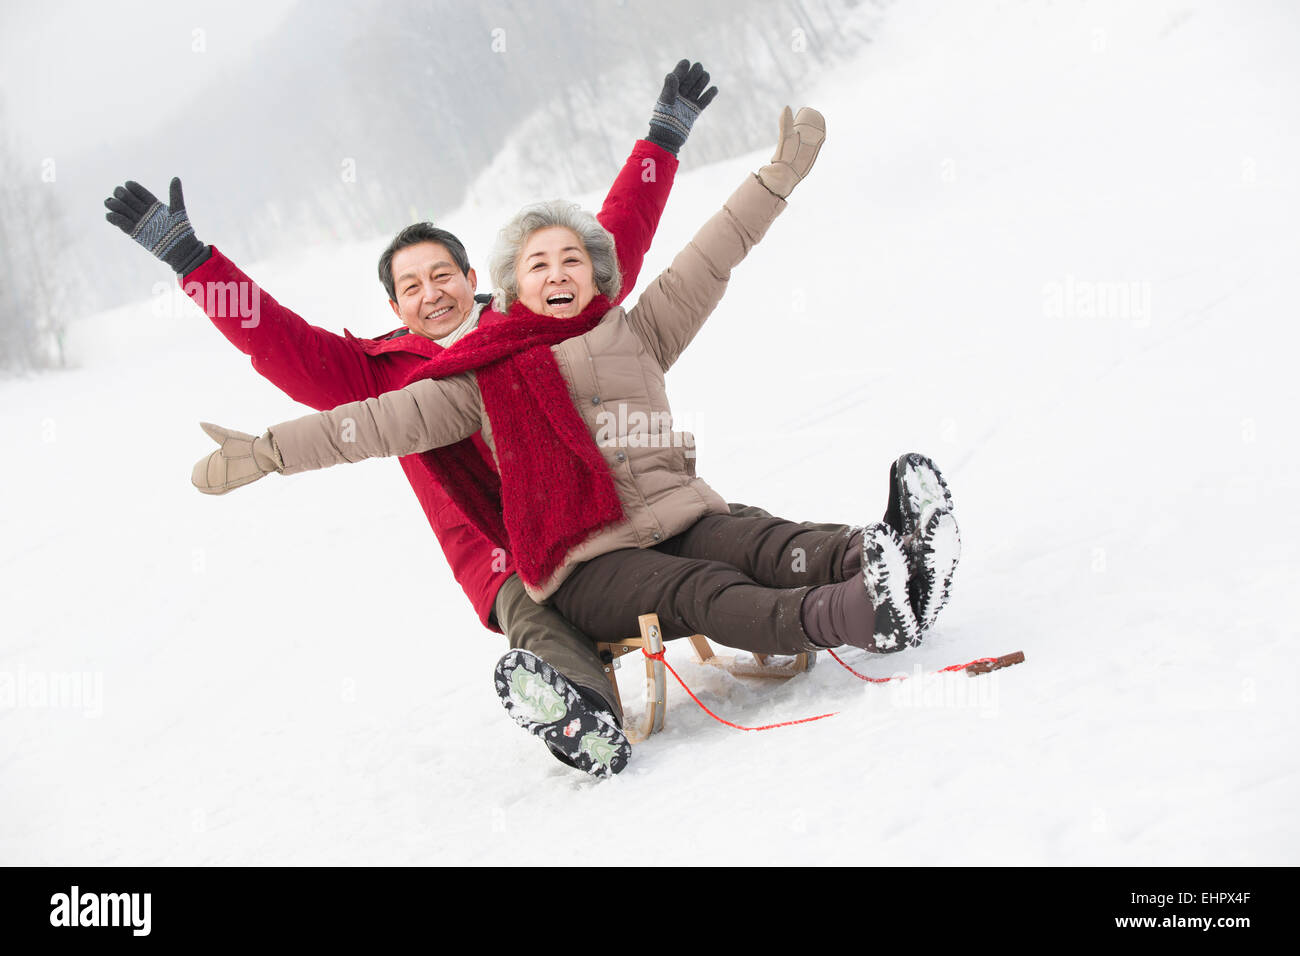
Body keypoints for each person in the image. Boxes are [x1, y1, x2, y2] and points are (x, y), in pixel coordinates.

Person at [188, 104, 964, 777]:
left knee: (751, 536)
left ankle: (892, 558)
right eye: (411, 286)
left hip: (659, 513)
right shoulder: (418, 376)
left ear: (477, 281)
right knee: (584, 609)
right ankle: (590, 708)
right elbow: (352, 412)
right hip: (545, 553)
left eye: (441, 276)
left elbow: (680, 251)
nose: (430, 293)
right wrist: (264, 439)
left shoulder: (596, 323)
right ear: (394, 302)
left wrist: (706, 155)